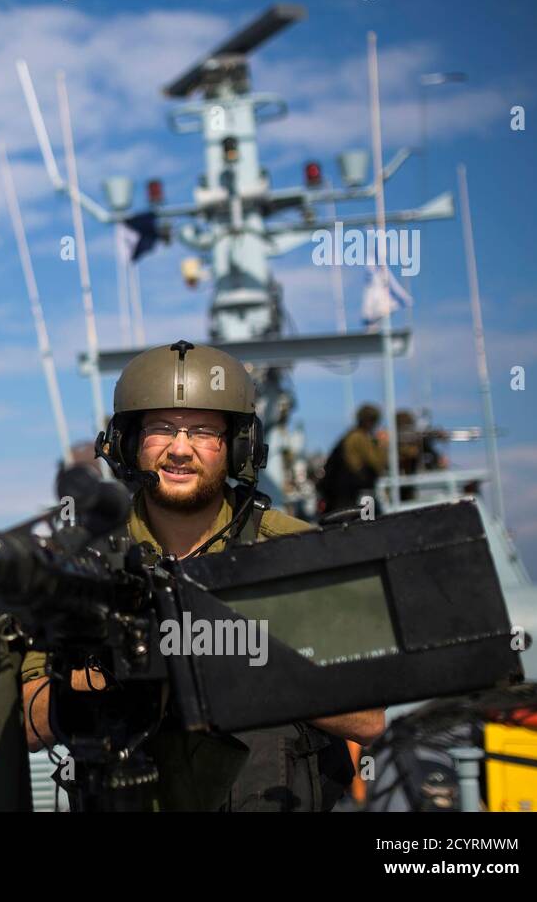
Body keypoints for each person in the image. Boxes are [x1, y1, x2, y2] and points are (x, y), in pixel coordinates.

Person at [21, 341, 384, 811]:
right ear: (129, 443)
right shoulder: (82, 561)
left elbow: (367, 718)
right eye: (161, 429)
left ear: (237, 447)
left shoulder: (293, 550)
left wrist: (229, 658)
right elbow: (26, 721)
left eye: (203, 432)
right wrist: (118, 670)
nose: (179, 449)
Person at [318, 403, 389, 516]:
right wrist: (382, 445)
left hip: (345, 494)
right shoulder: (358, 438)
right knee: (367, 522)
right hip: (351, 495)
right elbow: (376, 464)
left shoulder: (351, 436)